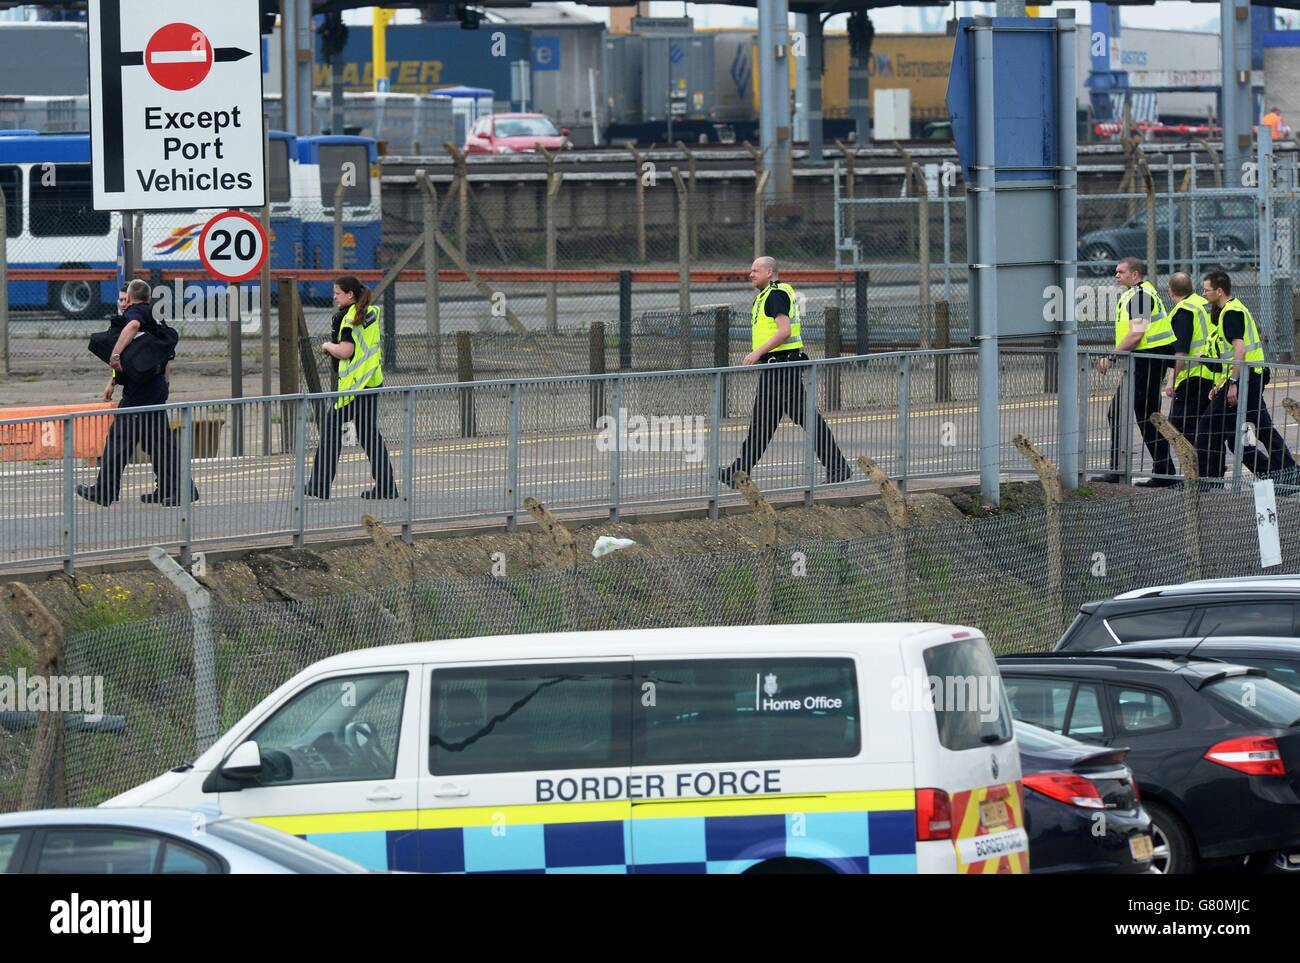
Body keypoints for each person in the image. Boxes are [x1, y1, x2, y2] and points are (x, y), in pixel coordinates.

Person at [718, 256, 852, 487]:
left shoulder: (776, 294)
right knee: (763, 425)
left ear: (769, 272)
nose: (751, 274)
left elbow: (784, 331)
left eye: (755, 270)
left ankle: (838, 467)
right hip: (776, 368)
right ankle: (738, 473)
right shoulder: (767, 295)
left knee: (804, 419)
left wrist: (756, 353)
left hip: (782, 367)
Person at [76, 279, 192, 507]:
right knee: (160, 444)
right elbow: (150, 359)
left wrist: (115, 354)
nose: (122, 304)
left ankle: (104, 491)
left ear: (130, 299)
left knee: (119, 441)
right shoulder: (156, 319)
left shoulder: (136, 315)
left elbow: (131, 331)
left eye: (123, 299)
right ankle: (176, 489)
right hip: (153, 388)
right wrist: (116, 381)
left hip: (141, 393)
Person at [1193, 271, 1297, 485]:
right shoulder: (1233, 309)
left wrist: (1232, 384)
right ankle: (1282, 473)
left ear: (1219, 291)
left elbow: (1239, 351)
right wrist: (1221, 382)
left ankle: (1208, 480)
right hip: (1249, 377)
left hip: (1244, 379)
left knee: (1208, 427)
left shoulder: (1230, 313)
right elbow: (1230, 356)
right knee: (1250, 431)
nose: (1204, 294)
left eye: (1206, 290)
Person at [305, 275, 399, 500]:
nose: (334, 297)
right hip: (371, 382)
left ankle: (318, 486)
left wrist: (328, 346)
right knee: (368, 435)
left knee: (330, 432)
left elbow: (347, 351)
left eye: (338, 293)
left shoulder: (347, 318)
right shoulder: (371, 312)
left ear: (350, 295)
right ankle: (386, 487)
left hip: (352, 388)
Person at [1097, 256, 1177, 485]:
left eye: (1121, 271)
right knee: (1147, 416)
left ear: (1135, 274)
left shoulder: (1140, 296)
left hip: (1146, 363)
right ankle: (1165, 473)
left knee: (1119, 412)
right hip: (1146, 362)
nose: (1116, 275)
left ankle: (1118, 471)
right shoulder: (1138, 294)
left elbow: (1136, 334)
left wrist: (1111, 358)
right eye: (1116, 271)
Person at [1161, 272, 1217, 454]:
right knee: (1205, 427)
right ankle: (1210, 469)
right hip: (1212, 373)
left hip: (1192, 378)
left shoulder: (1183, 310)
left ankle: (1199, 466)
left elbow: (1181, 352)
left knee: (1179, 425)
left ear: (1171, 292)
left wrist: (1171, 381)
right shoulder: (1204, 304)